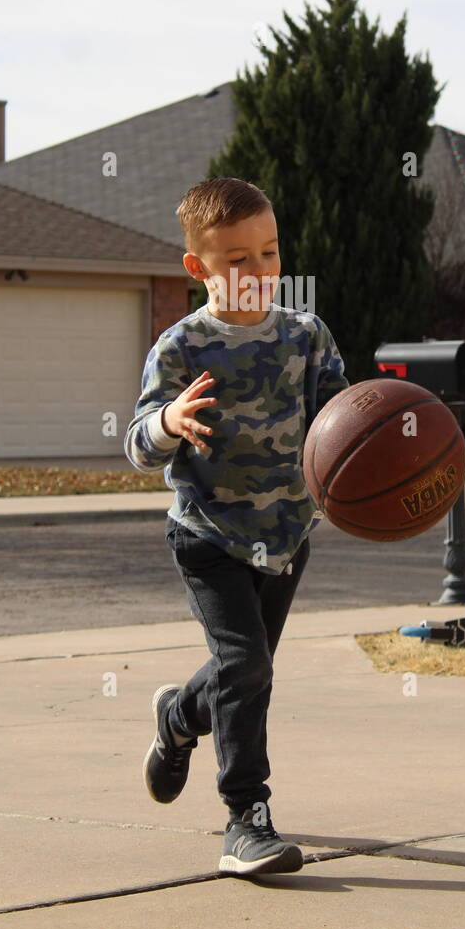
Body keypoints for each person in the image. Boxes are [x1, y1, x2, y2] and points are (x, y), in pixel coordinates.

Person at [123, 176, 349, 877]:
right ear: (199, 269)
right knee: (246, 666)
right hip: (208, 535)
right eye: (238, 260)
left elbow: (346, 426)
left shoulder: (306, 338)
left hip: (286, 537)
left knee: (244, 671)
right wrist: (167, 422)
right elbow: (135, 443)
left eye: (270, 253)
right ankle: (246, 819)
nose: (258, 272)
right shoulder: (181, 347)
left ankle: (179, 717)